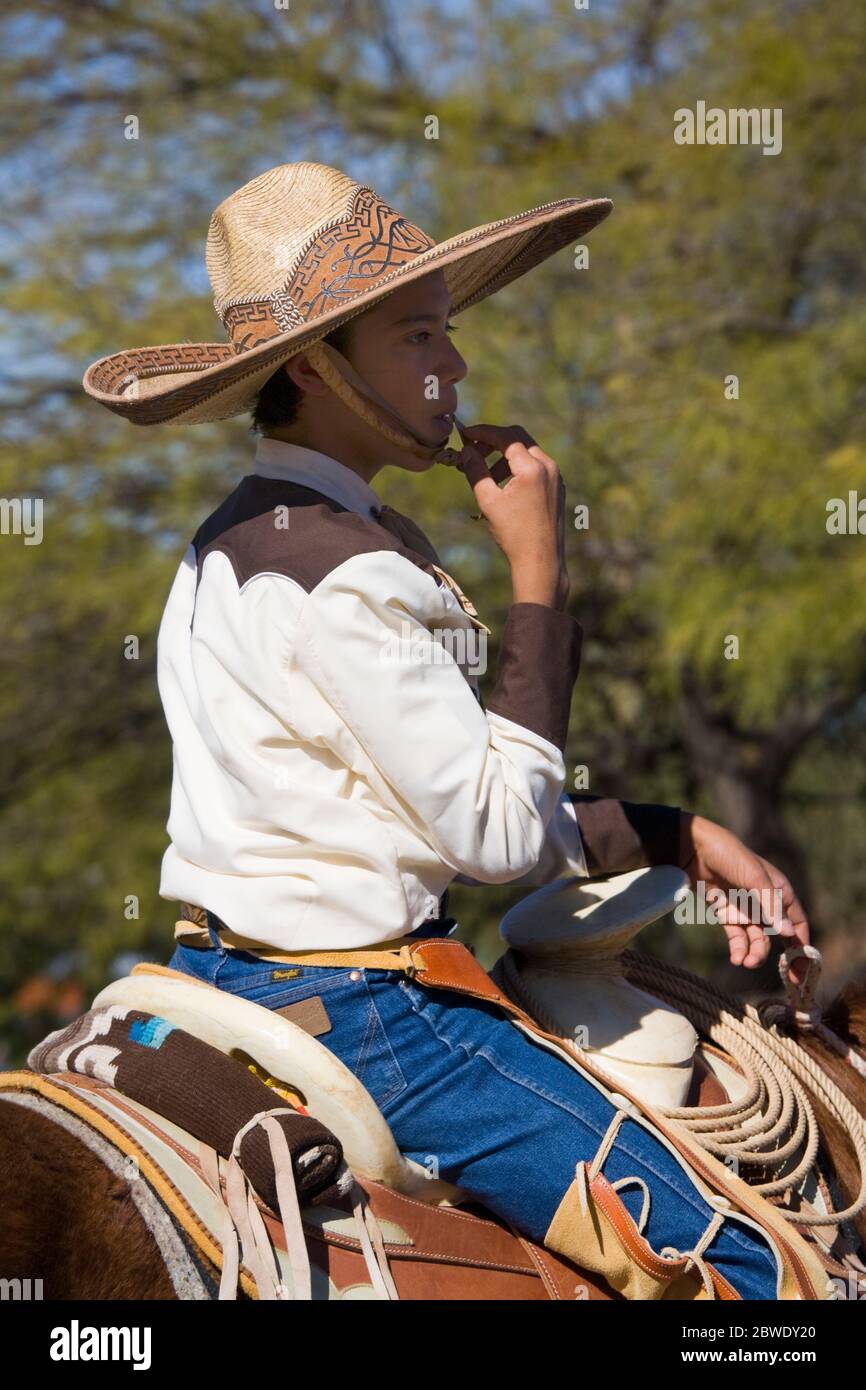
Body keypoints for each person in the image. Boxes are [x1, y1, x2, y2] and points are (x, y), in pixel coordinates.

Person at [83, 162, 819, 1300]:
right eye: (418, 337)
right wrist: (539, 573)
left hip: (218, 975)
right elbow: (492, 835)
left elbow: (406, 798)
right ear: (317, 367)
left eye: (447, 332)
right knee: (757, 1266)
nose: (454, 367)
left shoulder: (227, 546)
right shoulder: (352, 572)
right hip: (379, 1021)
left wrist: (671, 834)